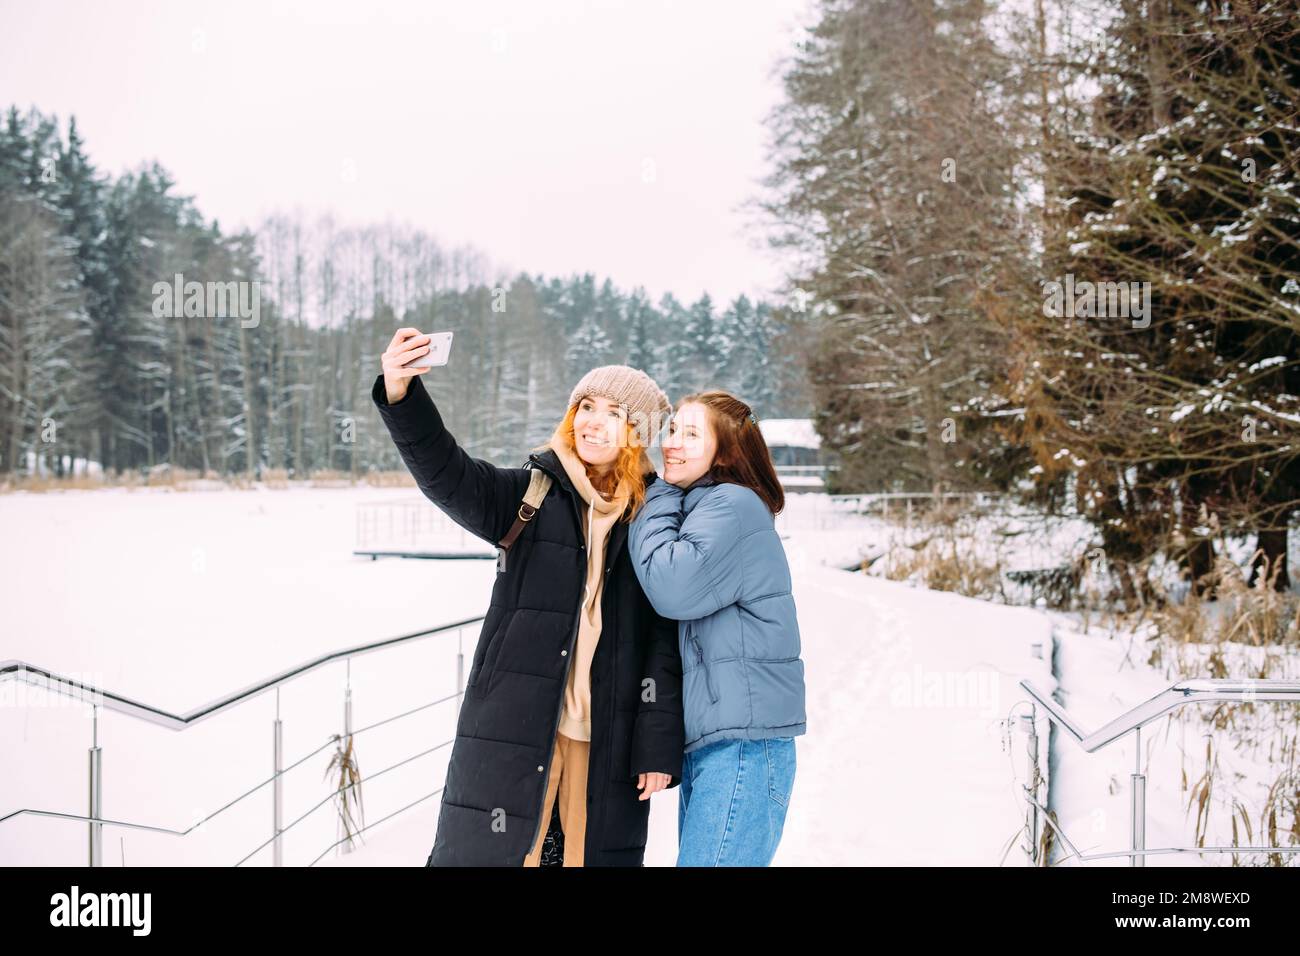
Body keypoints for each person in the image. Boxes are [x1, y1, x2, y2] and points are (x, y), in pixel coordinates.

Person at [373, 328, 684, 866]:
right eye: (585, 405)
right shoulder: (531, 492)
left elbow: (664, 637)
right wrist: (402, 393)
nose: (591, 419)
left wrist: (657, 742)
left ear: (638, 432)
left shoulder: (655, 518)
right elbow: (445, 472)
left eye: (613, 412)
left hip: (607, 741)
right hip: (513, 731)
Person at [628, 389, 807, 866]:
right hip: (725, 739)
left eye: (691, 434)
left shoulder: (730, 506)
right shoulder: (712, 504)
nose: (672, 444)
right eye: (671, 431)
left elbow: (670, 584)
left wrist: (659, 491)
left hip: (744, 743)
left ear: (724, 453)